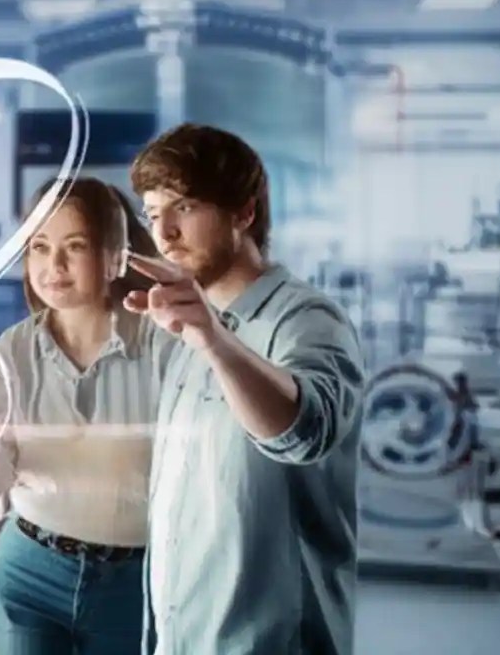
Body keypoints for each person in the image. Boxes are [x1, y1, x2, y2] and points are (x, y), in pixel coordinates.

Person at [125, 123, 365, 655]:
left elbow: (304, 432)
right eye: (152, 214)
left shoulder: (306, 319)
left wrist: (212, 341)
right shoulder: (190, 328)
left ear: (244, 213)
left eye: (183, 207)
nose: (163, 234)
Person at [0, 177, 179, 655]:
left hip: (134, 580)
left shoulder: (165, 343)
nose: (53, 266)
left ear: (113, 254)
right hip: (28, 570)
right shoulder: (13, 349)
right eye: (39, 247)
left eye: (74, 246)